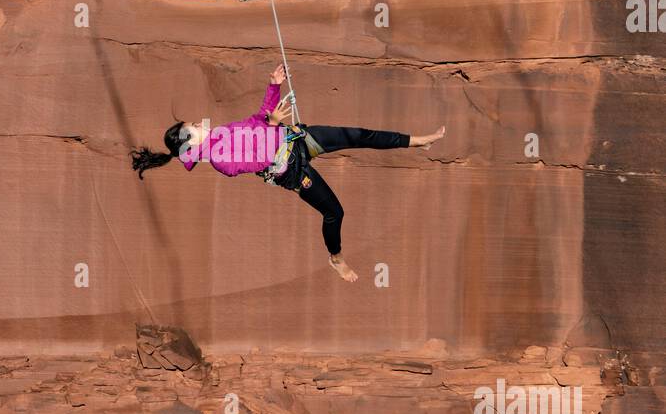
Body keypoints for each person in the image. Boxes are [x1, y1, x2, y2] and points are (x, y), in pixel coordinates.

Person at [130, 65, 445, 282]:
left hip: (296, 138)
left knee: (358, 135)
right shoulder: (220, 160)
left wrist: (273, 85)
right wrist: (271, 125)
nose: (199, 124)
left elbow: (258, 119)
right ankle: (335, 258)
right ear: (189, 143)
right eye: (192, 128)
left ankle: (418, 141)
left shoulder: (222, 133)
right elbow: (258, 161)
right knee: (334, 212)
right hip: (291, 170)